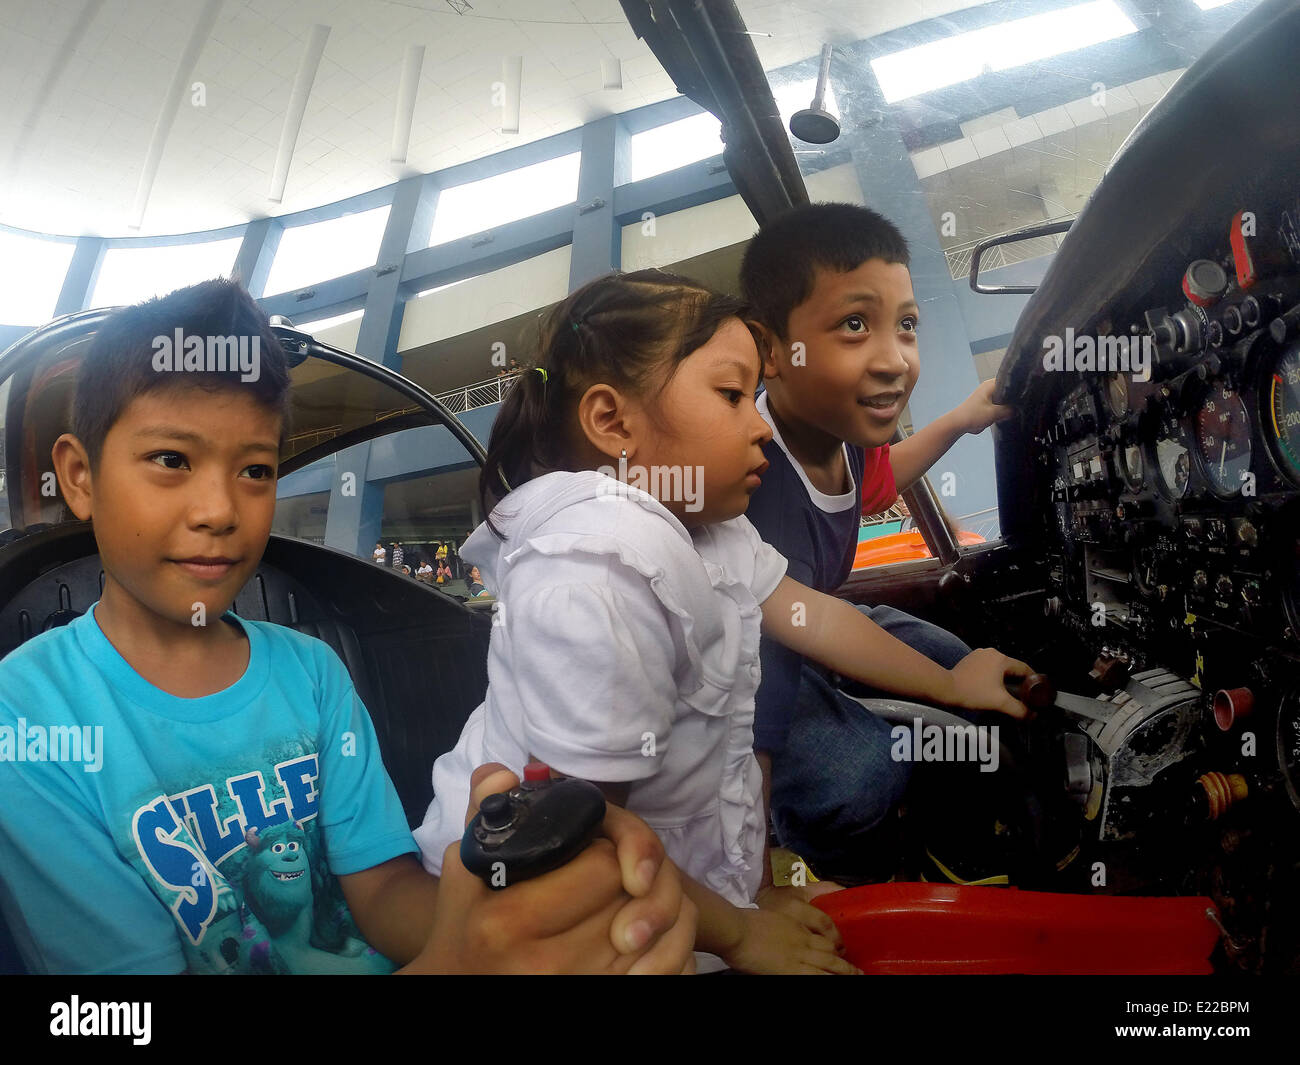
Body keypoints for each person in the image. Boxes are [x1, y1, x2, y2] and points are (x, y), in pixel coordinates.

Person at [0, 278, 695, 975]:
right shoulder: (28, 715)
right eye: (172, 460)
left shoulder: (313, 673)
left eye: (255, 469)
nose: (218, 508)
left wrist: (511, 916)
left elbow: (384, 889)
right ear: (80, 477)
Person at [412, 270, 1032, 973]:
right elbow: (584, 842)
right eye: (732, 394)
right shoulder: (595, 571)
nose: (760, 423)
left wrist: (951, 683)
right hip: (545, 924)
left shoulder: (710, 532)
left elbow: (813, 616)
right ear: (613, 422)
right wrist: (739, 932)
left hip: (667, 899)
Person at [738, 201, 1016, 885]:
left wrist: (959, 420)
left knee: (951, 652)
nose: (894, 359)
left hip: (806, 624)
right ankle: (836, 866)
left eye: (907, 325)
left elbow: (882, 478)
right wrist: (761, 885)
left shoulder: (839, 436)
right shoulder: (761, 482)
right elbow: (810, 627)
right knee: (857, 775)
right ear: (771, 349)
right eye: (855, 325)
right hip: (747, 662)